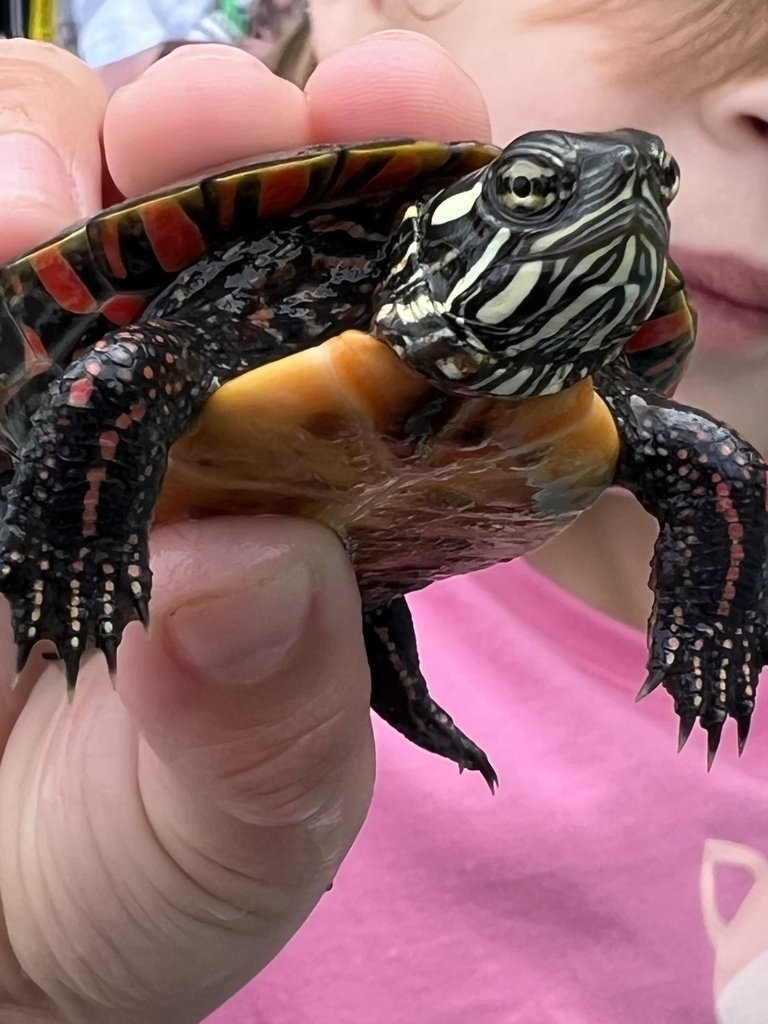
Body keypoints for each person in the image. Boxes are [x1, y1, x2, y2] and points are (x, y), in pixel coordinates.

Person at [0, 5, 766, 1024]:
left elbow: (715, 468)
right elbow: (116, 372)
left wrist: (717, 626)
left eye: (645, 193)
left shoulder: (621, 407)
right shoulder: (292, 267)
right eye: (538, 192)